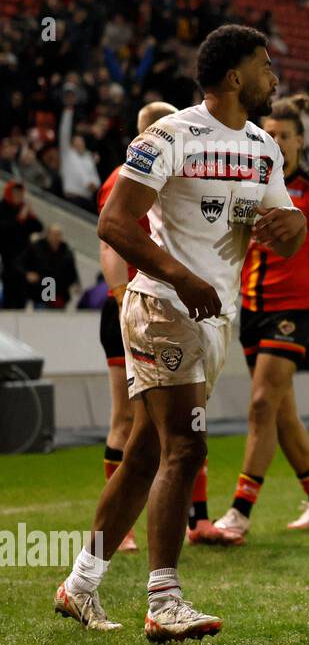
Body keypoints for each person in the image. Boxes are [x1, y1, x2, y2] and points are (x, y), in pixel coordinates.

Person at [54, 24, 305, 641]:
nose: (274, 77)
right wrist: (181, 277)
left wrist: (287, 228)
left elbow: (289, 223)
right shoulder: (169, 135)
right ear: (234, 77)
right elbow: (115, 223)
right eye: (264, 65)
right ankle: (164, 601)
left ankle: (79, 585)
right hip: (163, 303)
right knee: (185, 449)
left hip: (213, 317)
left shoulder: (262, 148)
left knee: (143, 455)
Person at [96, 101, 234, 550]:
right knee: (155, 430)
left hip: (177, 305)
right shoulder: (126, 176)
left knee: (166, 432)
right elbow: (112, 240)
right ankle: (143, 558)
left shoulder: (186, 174)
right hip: (142, 304)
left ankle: (197, 519)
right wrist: (120, 299)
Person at [212, 94, 309, 542]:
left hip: (292, 310)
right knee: (282, 413)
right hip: (250, 308)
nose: (277, 141)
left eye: (285, 135)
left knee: (262, 404)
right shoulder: (246, 186)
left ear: (301, 142)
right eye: (270, 134)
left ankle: (239, 512)